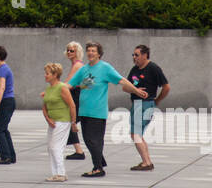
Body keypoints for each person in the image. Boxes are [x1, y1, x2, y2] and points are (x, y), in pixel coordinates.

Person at [70, 41, 147, 177]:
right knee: (88, 140)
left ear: (99, 53)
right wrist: (54, 88)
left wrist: (135, 90)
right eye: (89, 50)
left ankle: (98, 168)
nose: (90, 53)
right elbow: (70, 84)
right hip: (84, 111)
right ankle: (99, 162)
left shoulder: (105, 68)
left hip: (97, 112)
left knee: (95, 140)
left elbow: (121, 80)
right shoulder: (83, 69)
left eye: (93, 51)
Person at [127, 45, 170, 171]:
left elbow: (166, 87)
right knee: (137, 134)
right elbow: (125, 86)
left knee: (135, 134)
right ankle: (147, 161)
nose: (134, 57)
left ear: (145, 55)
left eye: (137, 55)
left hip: (145, 104)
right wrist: (135, 90)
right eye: (133, 55)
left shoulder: (153, 68)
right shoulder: (134, 69)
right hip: (136, 104)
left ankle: (146, 162)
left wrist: (157, 100)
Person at [40, 63, 76, 182]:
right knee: (50, 147)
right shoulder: (48, 89)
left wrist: (73, 122)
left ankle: (61, 173)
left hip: (62, 121)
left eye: (47, 73)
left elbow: (72, 105)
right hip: (52, 121)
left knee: (56, 147)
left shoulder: (62, 87)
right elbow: (44, 106)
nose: (45, 75)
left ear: (55, 75)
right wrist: (48, 118)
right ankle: (55, 173)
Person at [63, 41, 87, 160]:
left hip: (76, 96)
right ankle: (78, 150)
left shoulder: (77, 65)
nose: (69, 52)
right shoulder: (75, 64)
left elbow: (69, 83)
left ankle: (79, 151)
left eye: (71, 50)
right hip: (76, 95)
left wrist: (55, 88)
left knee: (70, 121)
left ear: (77, 52)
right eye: (68, 50)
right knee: (69, 122)